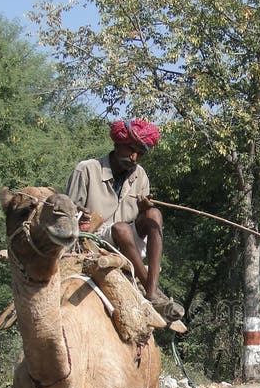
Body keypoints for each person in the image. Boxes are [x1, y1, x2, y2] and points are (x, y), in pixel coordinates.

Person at [66, 117, 184, 322]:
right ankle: (152, 290)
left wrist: (143, 210)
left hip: (130, 244)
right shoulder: (86, 169)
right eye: (130, 149)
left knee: (154, 214)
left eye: (140, 153)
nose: (134, 157)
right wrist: (79, 215)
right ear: (117, 144)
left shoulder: (140, 176)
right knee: (121, 229)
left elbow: (140, 220)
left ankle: (151, 289)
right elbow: (68, 215)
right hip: (95, 240)